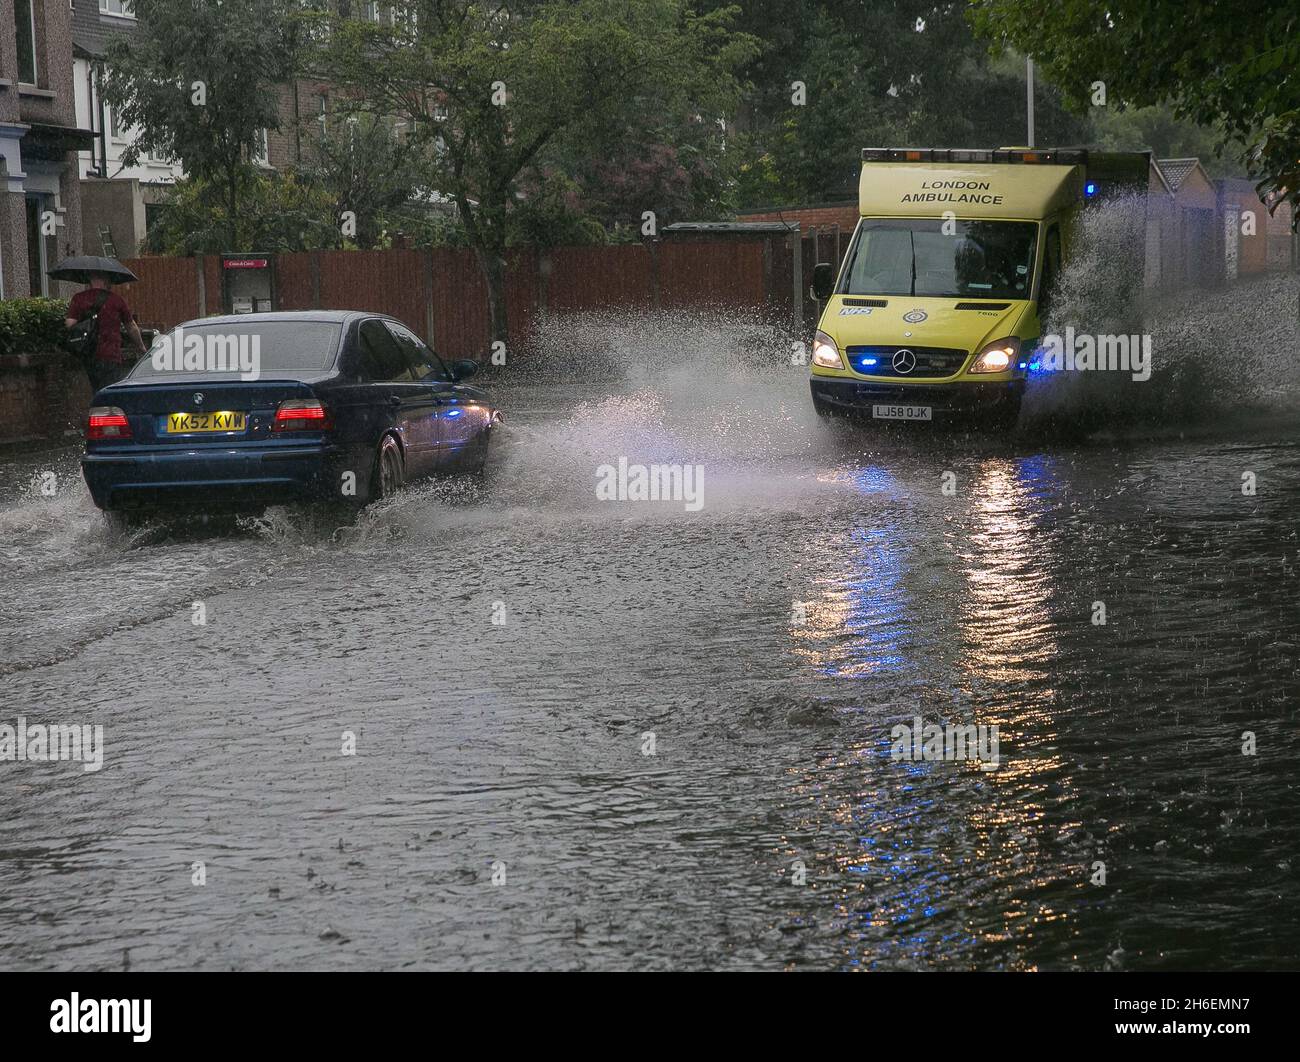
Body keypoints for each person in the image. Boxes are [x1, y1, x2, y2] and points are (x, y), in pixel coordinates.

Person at [65, 272, 146, 393]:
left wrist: (86, 324)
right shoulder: (116, 300)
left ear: (90, 280)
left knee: (96, 389)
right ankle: (108, 408)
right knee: (110, 391)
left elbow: (70, 324)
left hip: (89, 354)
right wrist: (141, 346)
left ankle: (98, 407)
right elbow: (131, 326)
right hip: (111, 355)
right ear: (106, 280)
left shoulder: (79, 298)